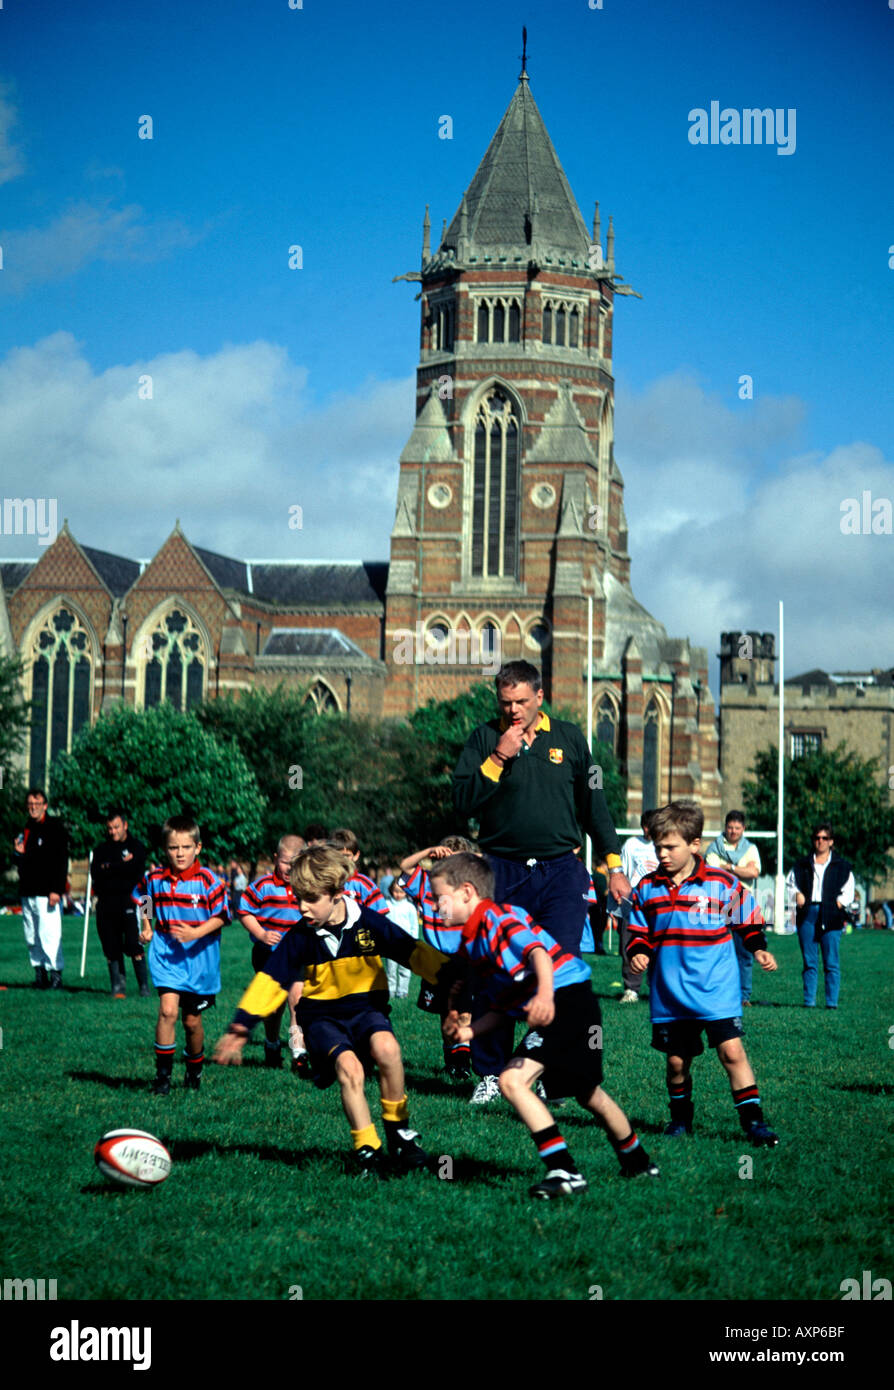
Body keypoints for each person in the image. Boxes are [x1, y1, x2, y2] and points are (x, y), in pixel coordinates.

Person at [452, 660, 632, 1104]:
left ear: (539, 696)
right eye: (505, 702)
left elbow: (594, 804)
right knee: (498, 972)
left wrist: (614, 864)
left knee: (562, 972)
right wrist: (498, 757)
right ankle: (492, 1073)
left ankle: (549, 1067)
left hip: (560, 872)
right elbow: (461, 801)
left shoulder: (570, 738)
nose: (512, 710)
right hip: (501, 870)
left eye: (520, 702)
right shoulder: (482, 738)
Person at [435, 852, 659, 1199]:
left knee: (511, 1080)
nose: (434, 907)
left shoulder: (499, 918)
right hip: (567, 1001)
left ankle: (565, 1171)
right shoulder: (474, 943)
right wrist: (469, 1031)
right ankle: (639, 1161)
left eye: (439, 898)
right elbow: (502, 1007)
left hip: (565, 998)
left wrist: (543, 995)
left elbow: (538, 952)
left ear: (467, 892)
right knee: (587, 1094)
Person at [213, 846, 449, 1174]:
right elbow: (270, 980)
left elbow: (412, 952)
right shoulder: (300, 936)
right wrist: (240, 1028)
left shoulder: (369, 923)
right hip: (321, 1018)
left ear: (337, 893)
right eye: (298, 898)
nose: (302, 908)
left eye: (311, 899)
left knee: (388, 1049)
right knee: (350, 1068)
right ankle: (367, 1148)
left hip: (367, 1010)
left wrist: (454, 980)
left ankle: (399, 1132)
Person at [627, 801, 779, 1147]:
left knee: (732, 1053)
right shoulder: (647, 889)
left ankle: (754, 1123)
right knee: (678, 1062)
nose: (661, 854)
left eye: (670, 847)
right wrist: (638, 952)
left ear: (694, 844)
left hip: (717, 989)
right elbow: (638, 930)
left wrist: (758, 947)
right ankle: (680, 1119)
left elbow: (748, 918)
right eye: (657, 847)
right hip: (672, 993)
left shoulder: (721, 883)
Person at [132, 815, 230, 1095]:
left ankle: (194, 1070)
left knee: (191, 1022)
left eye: (186, 847)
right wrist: (147, 926)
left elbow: (223, 916)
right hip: (166, 955)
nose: (180, 853)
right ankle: (162, 1079)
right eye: (174, 847)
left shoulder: (209, 881)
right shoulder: (154, 878)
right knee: (167, 1011)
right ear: (165, 848)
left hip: (199, 960)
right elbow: (144, 897)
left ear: (198, 848)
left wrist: (195, 933)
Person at [396, 835, 478, 1080]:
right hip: (434, 959)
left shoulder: (470, 887)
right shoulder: (424, 882)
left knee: (464, 1011)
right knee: (446, 1013)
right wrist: (429, 851)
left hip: (465, 958)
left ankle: (462, 1062)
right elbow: (405, 866)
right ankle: (451, 1058)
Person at [237, 835, 309, 1071]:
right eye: (286, 862)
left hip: (297, 955)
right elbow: (244, 911)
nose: (290, 868)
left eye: (295, 863)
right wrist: (261, 934)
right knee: (273, 1007)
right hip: (268, 954)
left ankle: (298, 1051)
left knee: (296, 1002)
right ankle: (271, 1043)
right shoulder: (263, 886)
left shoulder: (307, 886)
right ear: (276, 858)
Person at [786, 823, 855, 1009]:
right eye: (817, 838)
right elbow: (790, 885)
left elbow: (849, 890)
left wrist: (839, 904)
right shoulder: (801, 865)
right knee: (809, 961)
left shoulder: (842, 866)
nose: (820, 841)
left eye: (824, 838)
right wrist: (796, 895)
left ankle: (831, 1003)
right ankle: (809, 1002)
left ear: (831, 842)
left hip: (831, 914)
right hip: (808, 913)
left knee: (831, 961)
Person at [13, 788, 69, 989]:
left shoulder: (55, 827)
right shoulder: (27, 828)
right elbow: (21, 861)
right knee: (31, 934)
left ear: (45, 806)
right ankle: (39, 974)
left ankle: (55, 974)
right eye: (30, 804)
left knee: (49, 933)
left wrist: (57, 889)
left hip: (47, 892)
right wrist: (18, 854)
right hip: (28, 890)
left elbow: (62, 860)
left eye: (37, 804)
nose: (33, 808)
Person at [704, 810, 762, 1008]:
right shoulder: (714, 847)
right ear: (725, 827)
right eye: (730, 827)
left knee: (744, 952)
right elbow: (712, 873)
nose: (734, 831)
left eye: (737, 828)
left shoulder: (751, 848)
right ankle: (717, 992)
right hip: (718, 903)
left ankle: (743, 995)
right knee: (717, 950)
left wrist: (728, 867)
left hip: (743, 904)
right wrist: (740, 869)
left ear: (743, 829)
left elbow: (753, 872)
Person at [91, 809, 149, 998]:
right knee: (111, 945)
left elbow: (136, 872)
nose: (113, 831)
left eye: (116, 827)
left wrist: (111, 867)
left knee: (133, 943)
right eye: (109, 828)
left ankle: (143, 987)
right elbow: (96, 875)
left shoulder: (137, 846)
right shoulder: (100, 850)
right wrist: (121, 866)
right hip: (106, 903)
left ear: (125, 825)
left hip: (130, 902)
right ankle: (118, 986)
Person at [612, 810, 659, 1002]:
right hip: (633, 902)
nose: (649, 830)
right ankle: (631, 989)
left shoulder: (664, 844)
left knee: (660, 947)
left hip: (657, 903)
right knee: (629, 945)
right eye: (647, 826)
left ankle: (659, 988)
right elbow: (622, 871)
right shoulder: (631, 844)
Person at [382, 880, 420, 999]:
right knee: (391, 970)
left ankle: (402, 992)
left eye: (401, 892)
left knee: (405, 969)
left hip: (406, 943)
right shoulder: (386, 904)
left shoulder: (409, 907)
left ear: (406, 892)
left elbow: (414, 926)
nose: (398, 894)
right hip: (390, 943)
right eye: (395, 891)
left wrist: (414, 942)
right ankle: (391, 991)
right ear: (391, 891)